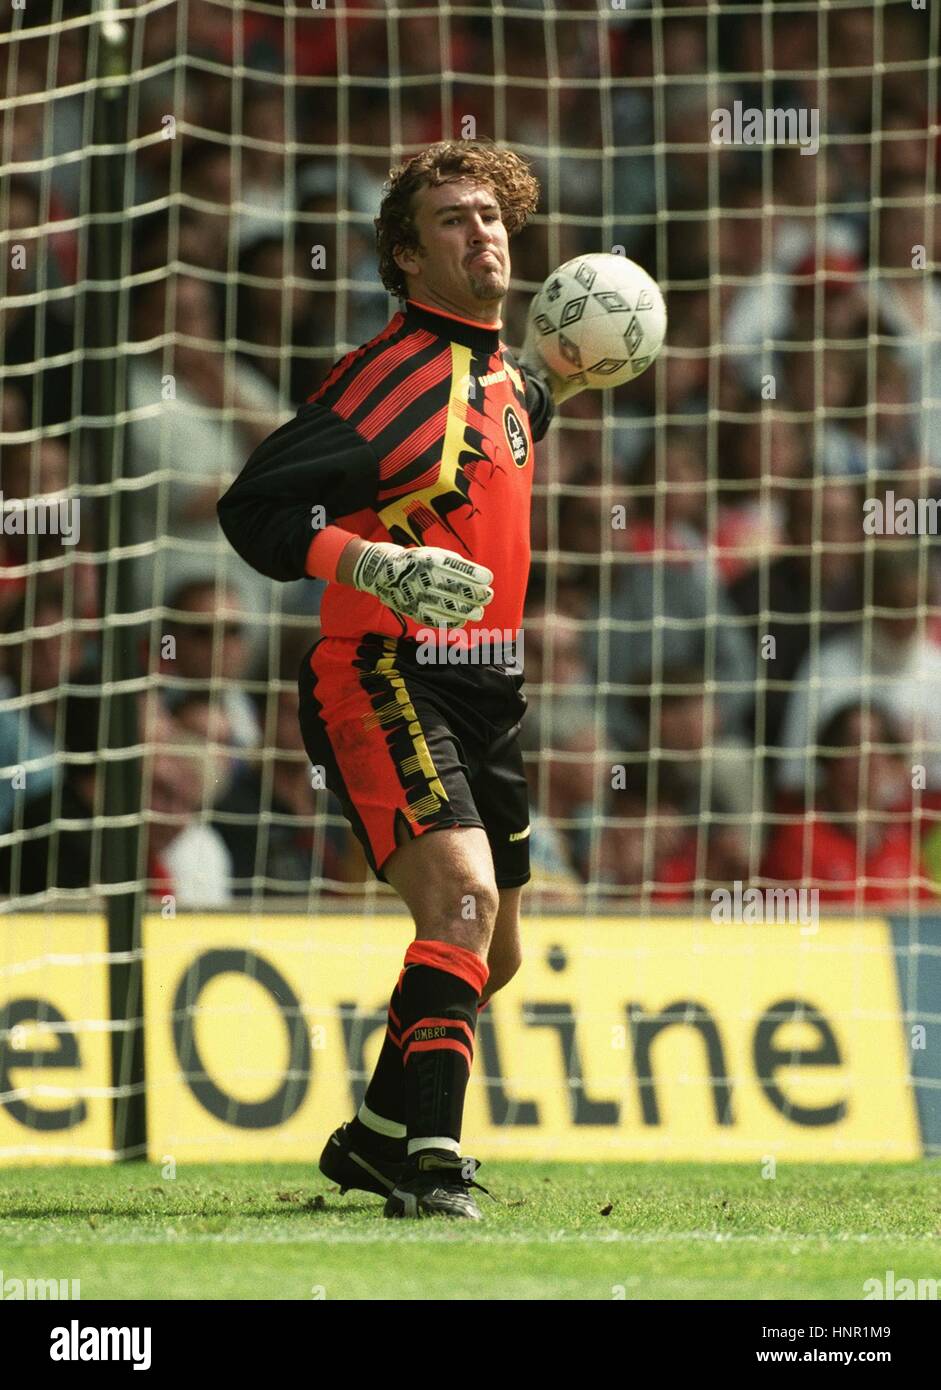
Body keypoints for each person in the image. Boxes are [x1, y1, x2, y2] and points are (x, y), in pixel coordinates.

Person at [218, 140, 572, 1220]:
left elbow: (508, 424)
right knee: (461, 902)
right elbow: (253, 507)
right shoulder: (388, 377)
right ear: (406, 257)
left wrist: (571, 368)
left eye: (491, 214)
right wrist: (368, 563)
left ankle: (372, 1140)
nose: (481, 232)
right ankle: (429, 1166)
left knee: (493, 953)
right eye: (452, 219)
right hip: (382, 669)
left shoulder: (503, 381)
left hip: (488, 687)